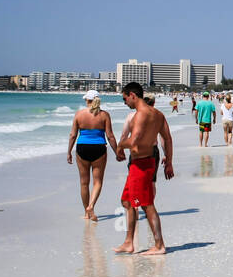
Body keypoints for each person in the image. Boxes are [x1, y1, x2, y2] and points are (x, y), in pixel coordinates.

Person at [114, 82, 173, 255]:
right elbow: (167, 139)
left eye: (125, 99)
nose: (125, 103)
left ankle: (159, 244)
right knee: (126, 201)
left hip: (142, 165)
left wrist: (119, 146)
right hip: (140, 164)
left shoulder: (141, 115)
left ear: (132, 95)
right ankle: (128, 242)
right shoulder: (158, 114)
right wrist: (169, 161)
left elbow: (134, 142)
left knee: (146, 204)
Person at [67, 90, 118, 221]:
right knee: (98, 181)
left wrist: (69, 152)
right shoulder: (104, 115)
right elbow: (110, 136)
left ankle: (86, 212)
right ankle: (91, 206)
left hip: (82, 148)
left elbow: (73, 135)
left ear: (87, 100)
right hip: (99, 148)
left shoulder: (79, 114)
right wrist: (117, 151)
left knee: (84, 183)